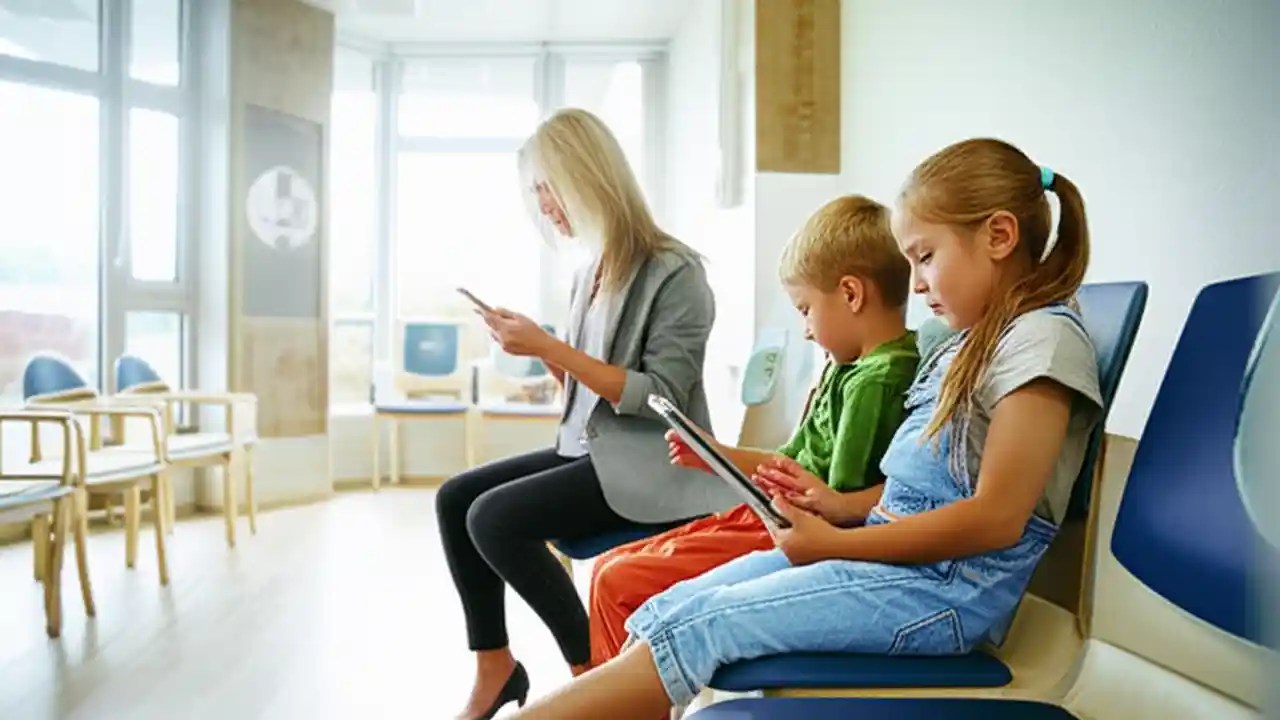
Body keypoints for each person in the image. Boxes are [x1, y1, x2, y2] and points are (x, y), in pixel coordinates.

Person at [510, 137, 1104, 719]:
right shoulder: (969, 342)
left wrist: (839, 544)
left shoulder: (1043, 340)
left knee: (698, 627)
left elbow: (997, 517)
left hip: (943, 592)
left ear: (1000, 236)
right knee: (667, 609)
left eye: (925, 256)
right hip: (893, 561)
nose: (917, 283)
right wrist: (844, 508)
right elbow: (920, 490)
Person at [434, 108, 738, 720]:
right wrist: (552, 361)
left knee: (493, 518)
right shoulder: (590, 272)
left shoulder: (675, 271)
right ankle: (496, 666)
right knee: (454, 498)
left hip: (650, 462)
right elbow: (593, 386)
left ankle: (596, 678)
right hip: (588, 450)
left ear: (587, 176)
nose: (544, 205)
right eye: (536, 192)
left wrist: (551, 347)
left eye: (549, 186)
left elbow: (663, 398)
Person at [587, 195, 920, 671]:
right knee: (606, 569)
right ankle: (600, 696)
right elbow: (792, 463)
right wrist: (716, 455)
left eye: (805, 309)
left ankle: (608, 701)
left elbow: (833, 504)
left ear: (851, 294)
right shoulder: (851, 367)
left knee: (618, 581)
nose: (805, 330)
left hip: (788, 531)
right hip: (765, 514)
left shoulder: (878, 379)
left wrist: (726, 461)